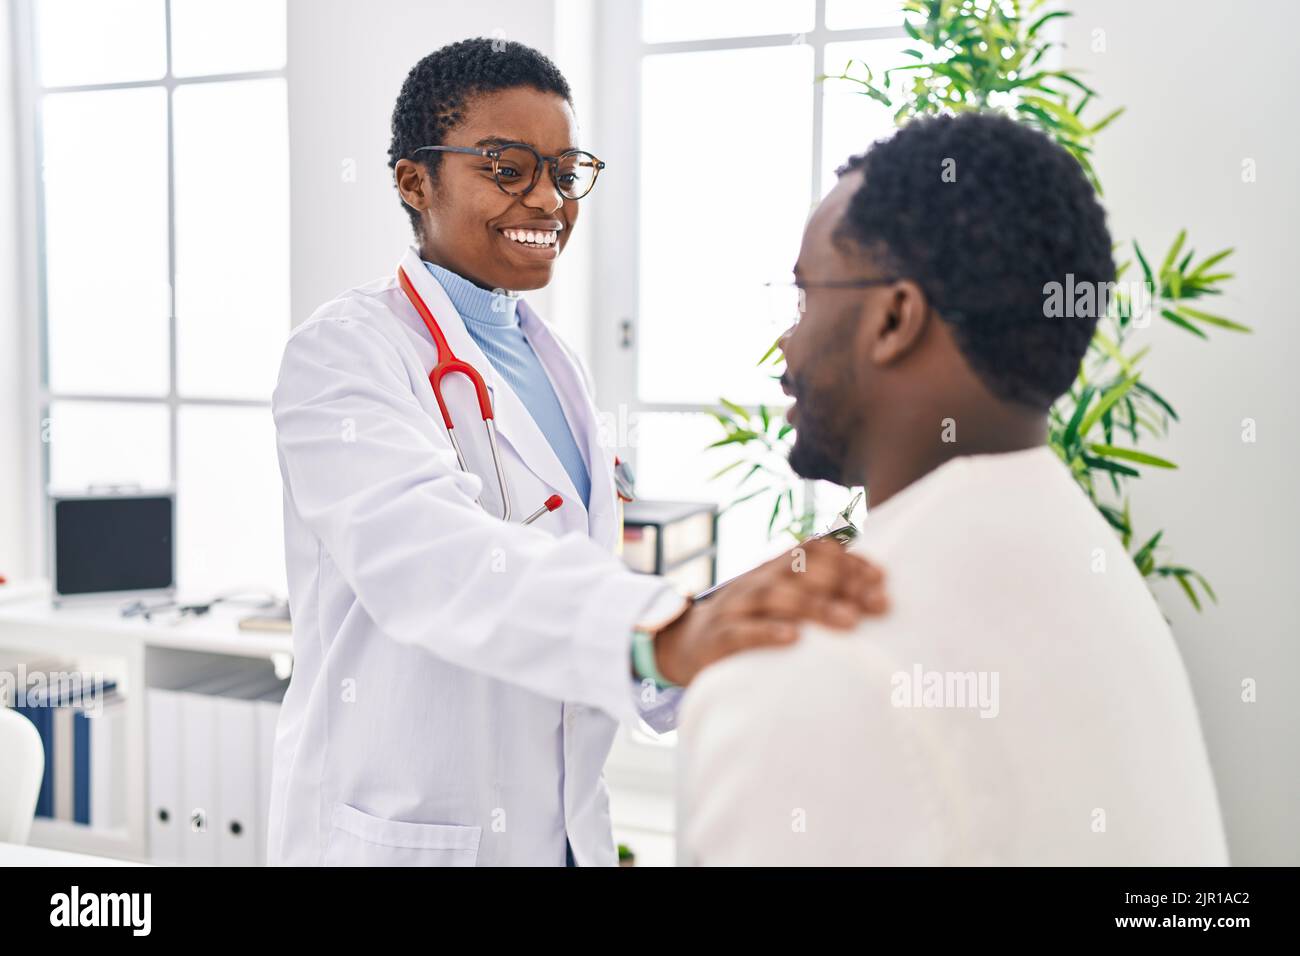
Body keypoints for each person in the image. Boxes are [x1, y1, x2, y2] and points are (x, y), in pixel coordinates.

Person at [267, 38, 887, 867]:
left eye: (564, 172)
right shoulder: (343, 354)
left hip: (558, 835)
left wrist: (718, 622)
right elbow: (429, 558)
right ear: (416, 182)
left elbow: (569, 595)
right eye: (507, 168)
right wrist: (650, 629)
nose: (547, 200)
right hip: (409, 836)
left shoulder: (554, 363)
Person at [677, 113, 1228, 866]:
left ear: (894, 317)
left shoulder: (805, 674)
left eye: (805, 296)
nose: (786, 343)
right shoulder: (1103, 580)